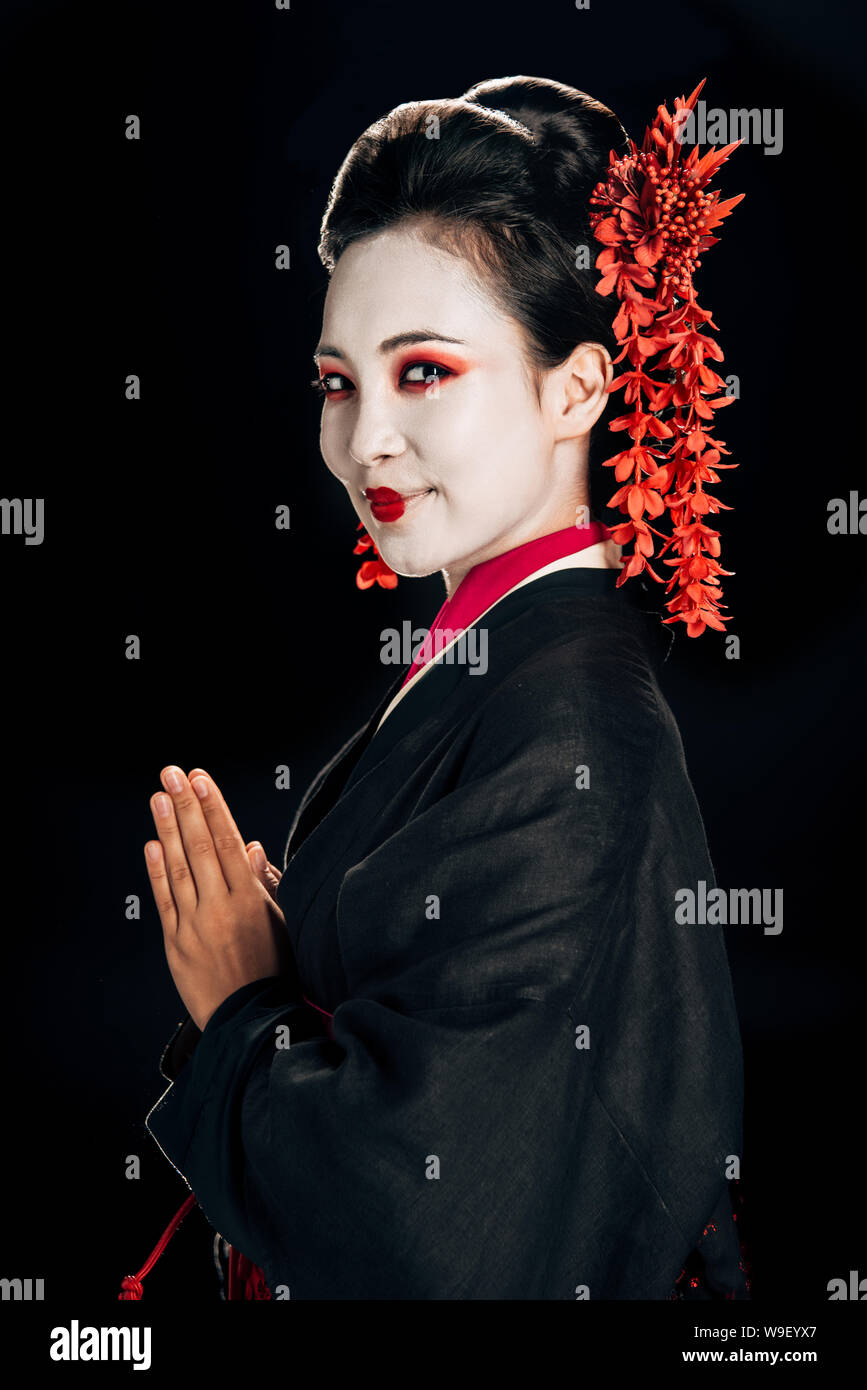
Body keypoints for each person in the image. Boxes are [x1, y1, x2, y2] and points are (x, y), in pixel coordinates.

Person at [130, 75, 749, 1301]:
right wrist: (302, 952)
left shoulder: (578, 723)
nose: (363, 444)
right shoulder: (496, 660)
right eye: (337, 381)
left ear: (576, 389)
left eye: (421, 373)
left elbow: (447, 1223)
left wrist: (248, 1003)